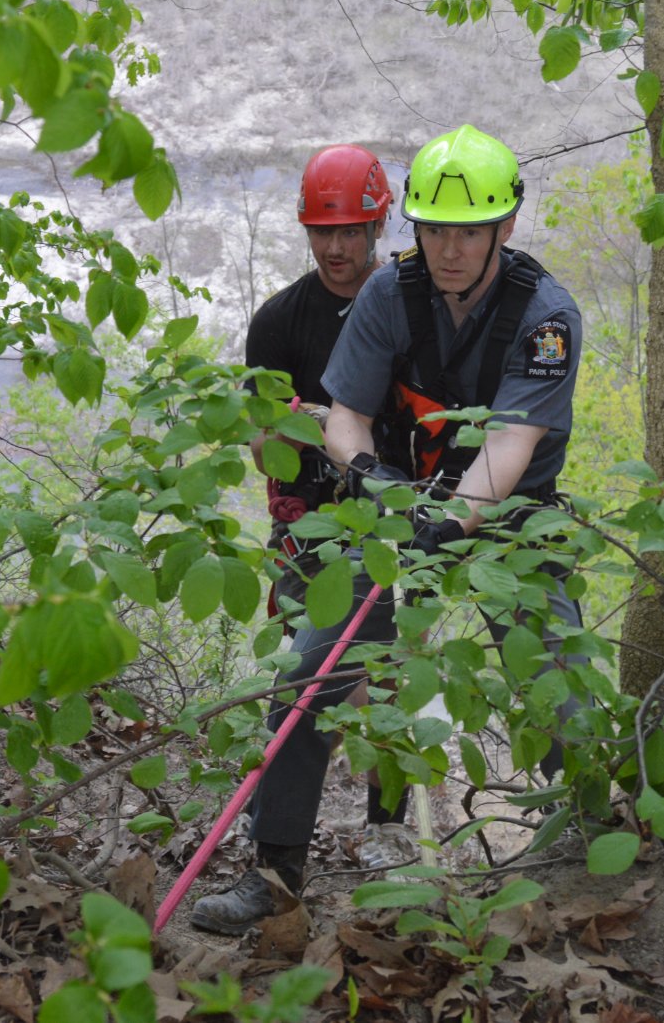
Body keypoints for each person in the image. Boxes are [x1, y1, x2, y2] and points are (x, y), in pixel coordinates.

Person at [193, 124, 590, 935]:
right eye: (434, 228)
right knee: (310, 674)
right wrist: (370, 475)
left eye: (468, 231)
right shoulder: (389, 294)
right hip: (392, 502)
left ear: (504, 229)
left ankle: (584, 843)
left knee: (556, 671)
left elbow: (511, 447)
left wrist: (445, 522)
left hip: (508, 517)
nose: (448, 248)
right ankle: (273, 873)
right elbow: (347, 415)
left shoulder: (546, 317)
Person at [239, 145, 414, 864]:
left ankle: (388, 825)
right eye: (322, 232)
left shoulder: (411, 308)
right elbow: (261, 444)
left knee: (389, 668)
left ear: (378, 227)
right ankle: (287, 838)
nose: (336, 248)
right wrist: (312, 425)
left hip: (400, 513)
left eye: (350, 232)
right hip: (307, 519)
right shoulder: (280, 322)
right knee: (310, 673)